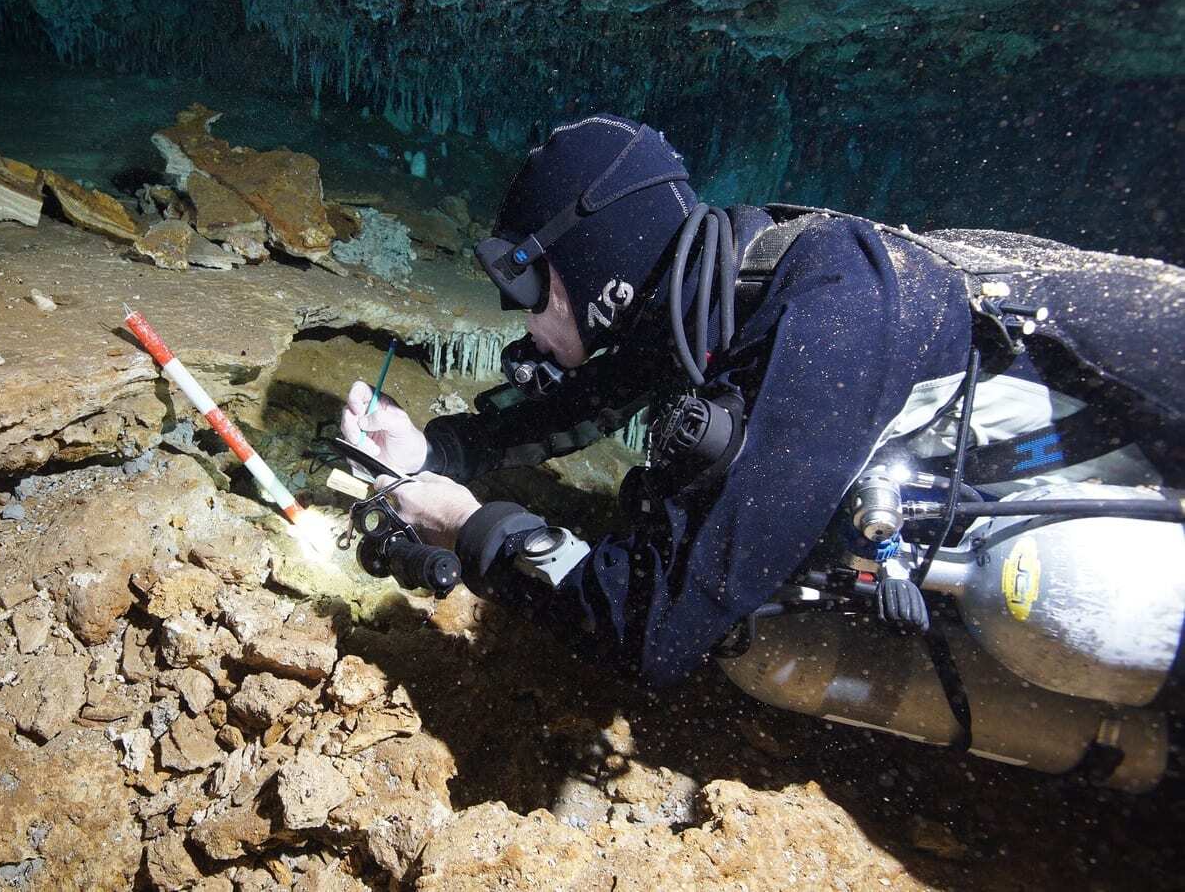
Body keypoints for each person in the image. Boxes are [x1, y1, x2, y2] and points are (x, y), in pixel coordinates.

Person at [340, 114, 1185, 690]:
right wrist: (434, 453)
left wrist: (465, 523)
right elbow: (589, 399)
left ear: (598, 272)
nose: (520, 315)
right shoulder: (727, 275)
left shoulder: (824, 318)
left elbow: (652, 632)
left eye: (529, 285)